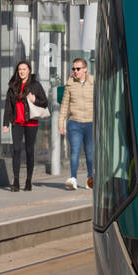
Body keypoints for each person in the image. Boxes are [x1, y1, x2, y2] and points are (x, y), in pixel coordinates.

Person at [2, 60, 48, 192]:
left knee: (29, 151)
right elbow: (8, 107)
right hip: (17, 122)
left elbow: (45, 102)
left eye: (24, 69)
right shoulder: (13, 86)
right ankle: (16, 181)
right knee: (16, 150)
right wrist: (6, 123)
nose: (22, 71)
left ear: (29, 70)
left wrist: (35, 100)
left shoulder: (35, 85)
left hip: (31, 122)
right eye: (20, 69)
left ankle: (28, 181)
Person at [58, 57, 94, 191]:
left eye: (78, 69)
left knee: (90, 154)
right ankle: (73, 179)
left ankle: (90, 179)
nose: (75, 71)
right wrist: (60, 123)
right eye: (73, 69)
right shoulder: (70, 84)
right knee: (75, 152)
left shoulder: (94, 82)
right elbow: (64, 104)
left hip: (91, 123)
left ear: (85, 69)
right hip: (74, 123)